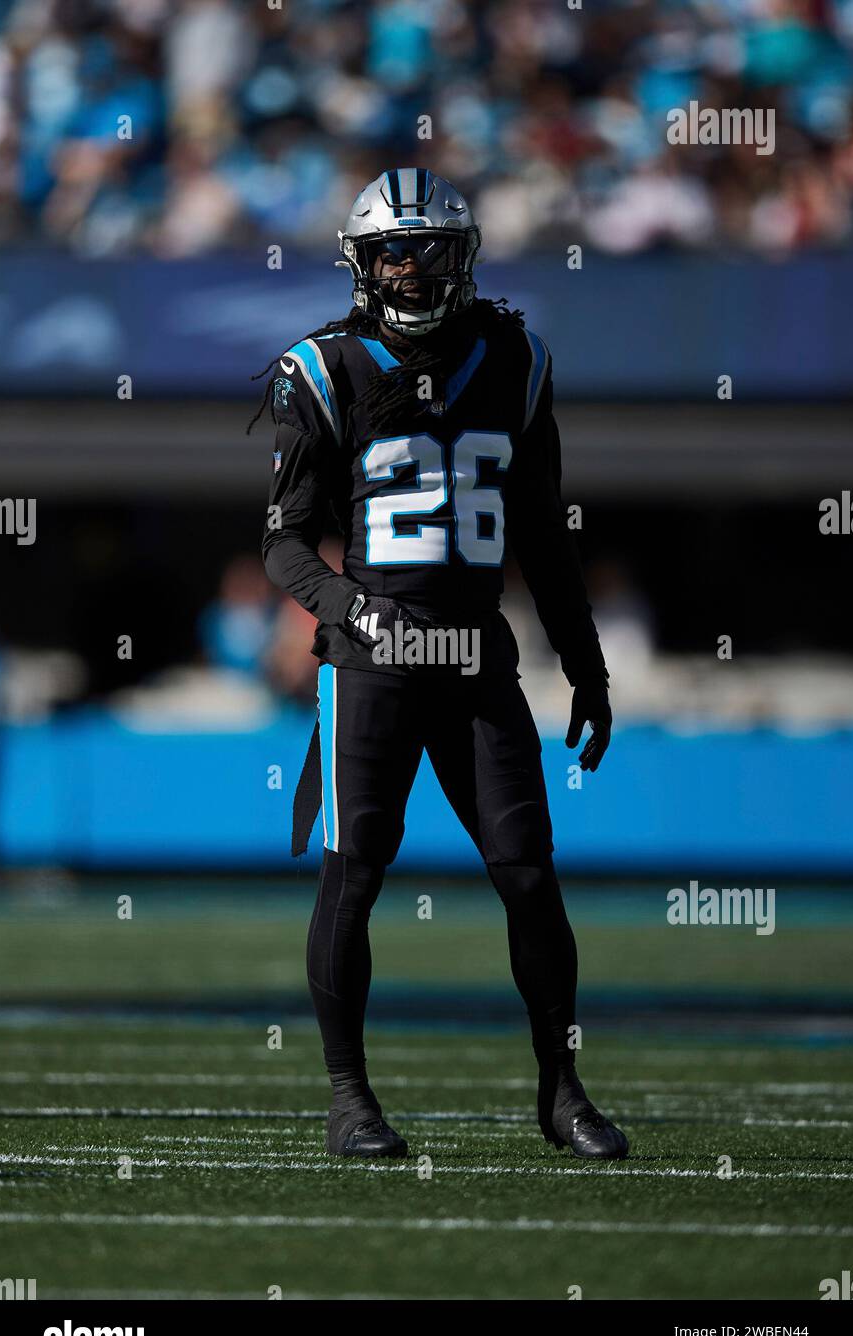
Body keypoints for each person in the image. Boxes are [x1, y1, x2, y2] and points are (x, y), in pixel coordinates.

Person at [258, 168, 628, 1161]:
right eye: (391, 252)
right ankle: (349, 1099)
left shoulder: (514, 357)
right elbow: (283, 544)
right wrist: (349, 608)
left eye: (427, 252)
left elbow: (543, 536)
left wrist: (584, 666)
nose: (410, 272)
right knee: (354, 871)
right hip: (371, 660)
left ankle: (561, 1091)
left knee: (526, 873)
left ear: (461, 259)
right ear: (362, 262)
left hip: (473, 654)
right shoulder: (324, 367)